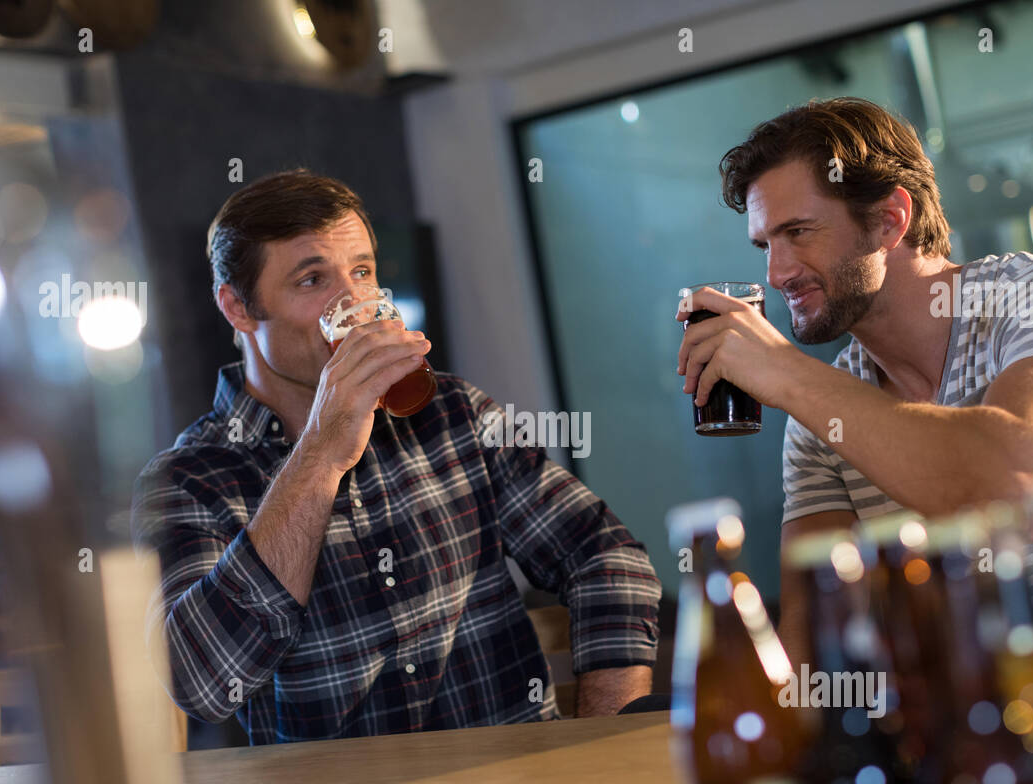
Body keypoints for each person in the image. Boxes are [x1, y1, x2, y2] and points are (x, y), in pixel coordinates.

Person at [133, 169, 660, 744]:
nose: (354, 302)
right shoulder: (187, 479)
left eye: (362, 272)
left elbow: (603, 554)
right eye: (312, 280)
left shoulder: (454, 412)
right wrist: (320, 454)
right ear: (237, 307)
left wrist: (604, 740)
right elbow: (201, 684)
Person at [675, 97, 1033, 663]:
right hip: (969, 737)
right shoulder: (820, 425)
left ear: (892, 219)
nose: (776, 273)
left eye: (799, 231)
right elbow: (815, 649)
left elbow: (1021, 478)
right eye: (766, 245)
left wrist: (787, 373)